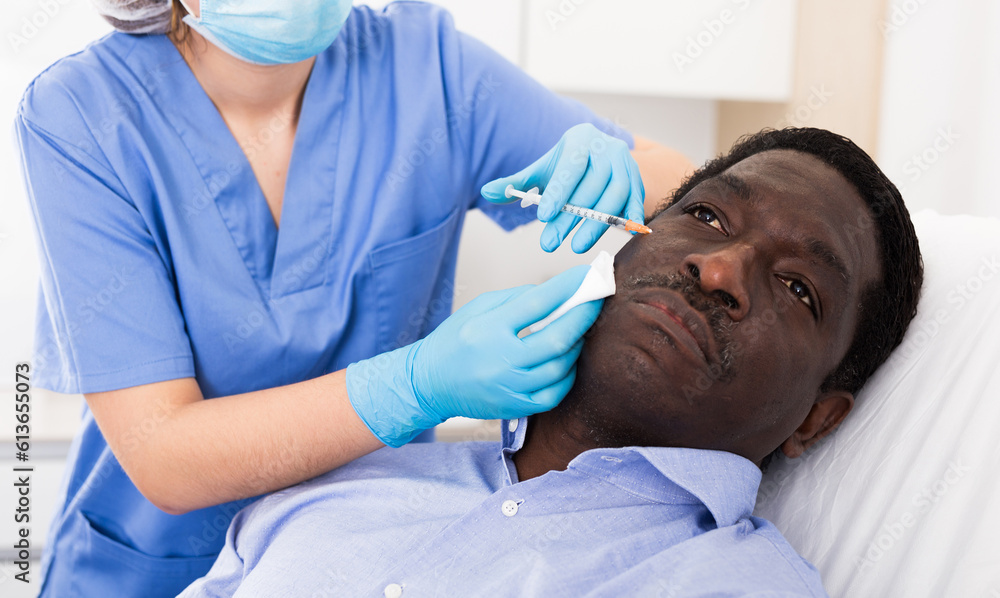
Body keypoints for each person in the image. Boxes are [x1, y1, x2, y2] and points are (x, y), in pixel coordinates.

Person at [15, 1, 694, 596]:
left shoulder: (429, 68)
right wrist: (418, 385)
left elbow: (692, 194)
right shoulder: (81, 114)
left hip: (354, 561)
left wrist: (622, 169)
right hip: (156, 570)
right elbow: (163, 452)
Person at [177, 127, 925, 597]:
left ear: (819, 418)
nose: (720, 268)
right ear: (627, 241)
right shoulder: (342, 484)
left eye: (798, 287)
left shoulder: (732, 584)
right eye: (703, 216)